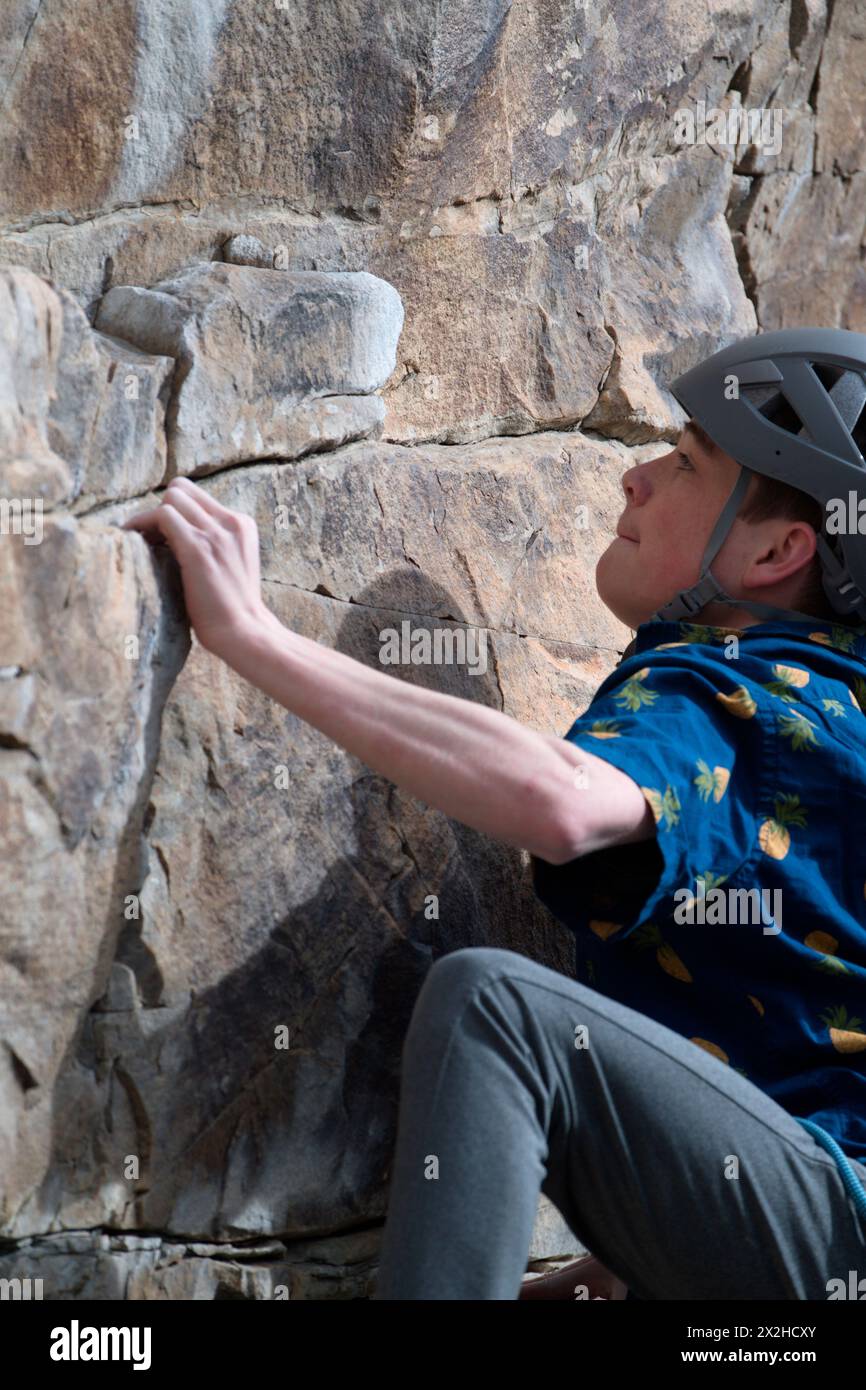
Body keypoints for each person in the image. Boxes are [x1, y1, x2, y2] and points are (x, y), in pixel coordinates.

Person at [122, 328, 866, 1300]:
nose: (634, 478)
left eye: (686, 462)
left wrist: (253, 634)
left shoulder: (737, 692)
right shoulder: (833, 710)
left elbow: (556, 803)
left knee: (497, 1007)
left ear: (776, 549)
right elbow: (791, 1081)